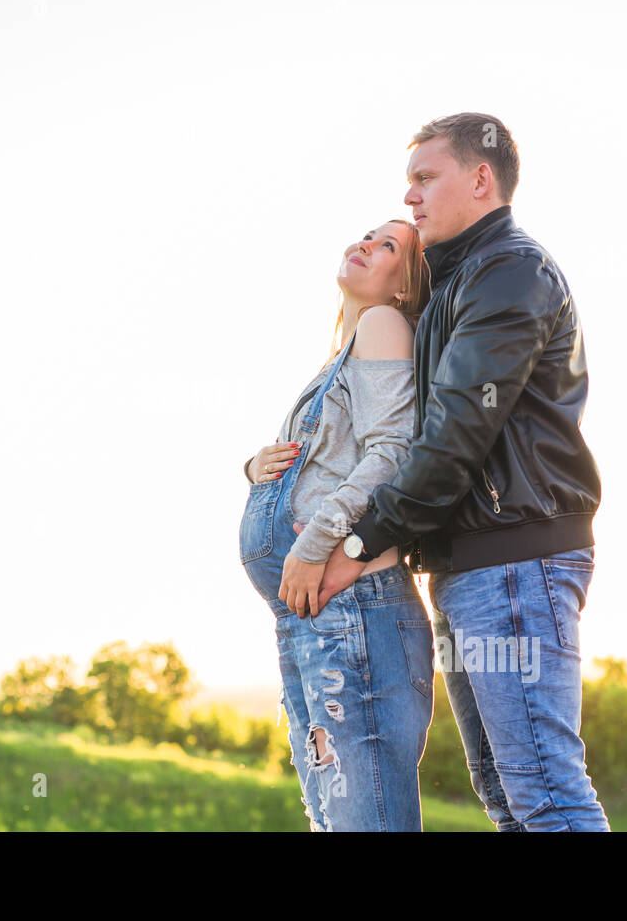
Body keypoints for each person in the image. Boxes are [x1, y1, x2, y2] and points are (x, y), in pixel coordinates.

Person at [312, 112, 610, 831]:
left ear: (481, 179)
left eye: (425, 178)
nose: (410, 197)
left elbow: (455, 436)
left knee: (544, 792)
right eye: (407, 181)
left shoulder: (509, 272)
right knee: (507, 799)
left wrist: (359, 545)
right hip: (466, 565)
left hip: (514, 560)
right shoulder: (451, 282)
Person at [238, 218, 435, 831]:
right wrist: (254, 468)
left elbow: (391, 451)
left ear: (403, 288)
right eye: (367, 235)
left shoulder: (383, 324)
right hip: (315, 622)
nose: (364, 244)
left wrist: (314, 545)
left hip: (356, 610)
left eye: (387, 247)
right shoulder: (342, 354)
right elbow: (320, 461)